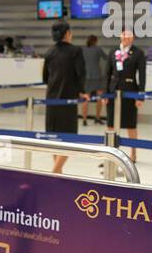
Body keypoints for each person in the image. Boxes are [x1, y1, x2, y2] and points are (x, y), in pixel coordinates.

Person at [42, 21, 86, 173]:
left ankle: (57, 172)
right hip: (68, 99)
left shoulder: (49, 52)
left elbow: (44, 78)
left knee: (53, 136)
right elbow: (80, 73)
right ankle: (55, 172)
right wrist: (83, 91)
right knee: (70, 137)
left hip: (51, 99)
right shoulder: (76, 51)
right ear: (67, 33)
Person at [107, 29, 146, 163]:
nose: (126, 37)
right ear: (120, 35)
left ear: (133, 37)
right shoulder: (113, 51)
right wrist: (106, 93)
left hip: (130, 91)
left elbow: (142, 76)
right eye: (124, 34)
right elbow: (107, 73)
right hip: (114, 92)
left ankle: (133, 155)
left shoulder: (138, 53)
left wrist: (140, 96)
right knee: (111, 125)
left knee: (131, 125)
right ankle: (110, 155)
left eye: (129, 35)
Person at [81, 34, 109, 125]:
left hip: (86, 77)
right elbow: (106, 58)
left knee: (85, 99)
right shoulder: (98, 49)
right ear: (95, 41)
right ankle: (97, 117)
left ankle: (84, 120)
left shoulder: (83, 50)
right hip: (97, 77)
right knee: (99, 98)